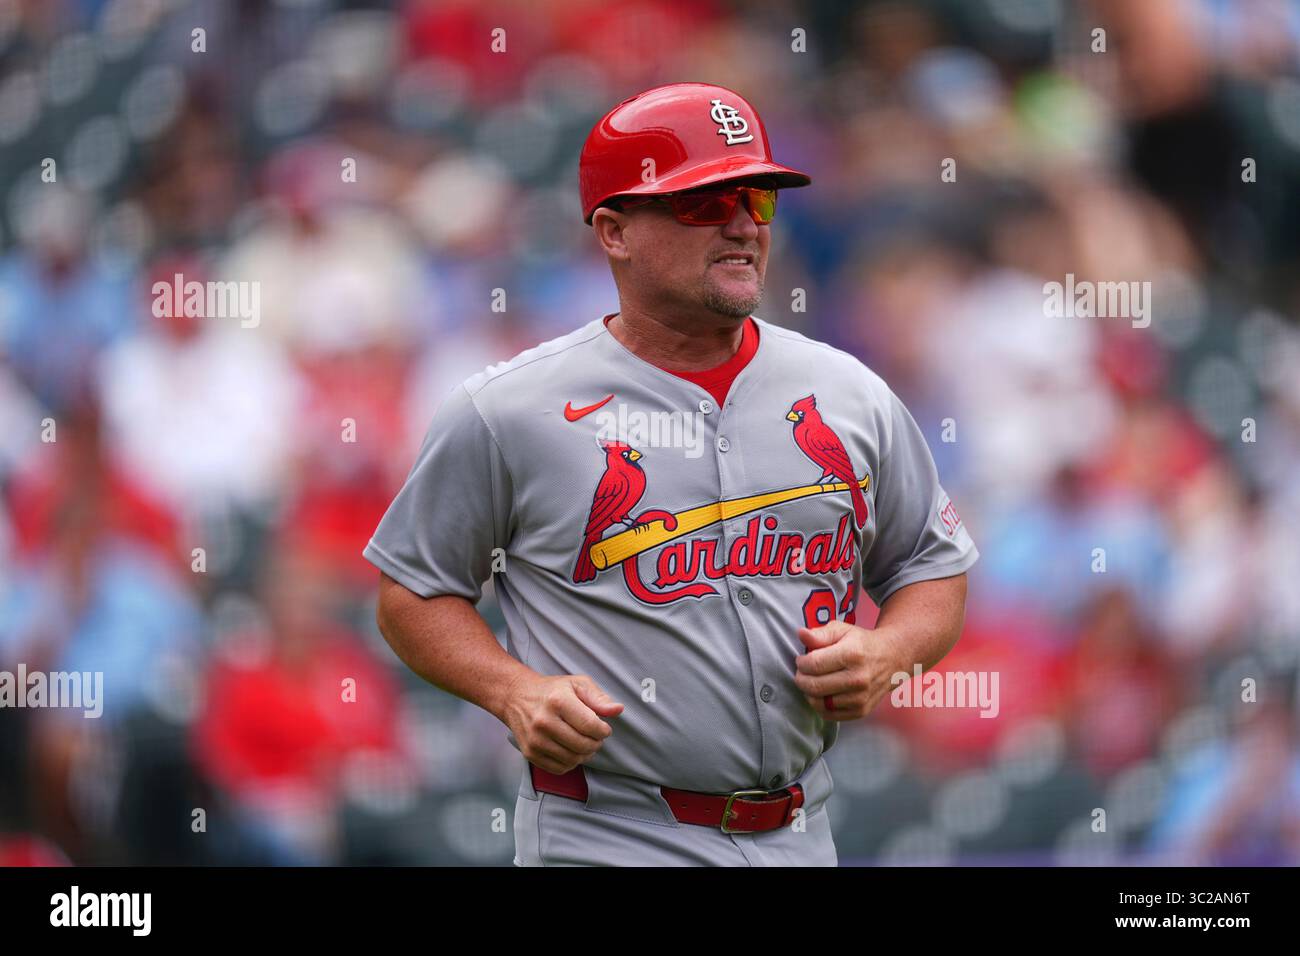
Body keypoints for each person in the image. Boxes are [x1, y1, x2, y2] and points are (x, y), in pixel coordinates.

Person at [365, 83, 978, 866]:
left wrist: (893, 652)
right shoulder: (510, 410)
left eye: (756, 198)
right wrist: (511, 688)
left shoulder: (849, 392)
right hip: (610, 834)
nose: (741, 225)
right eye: (702, 202)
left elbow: (932, 566)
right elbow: (411, 589)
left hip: (802, 834)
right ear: (615, 232)